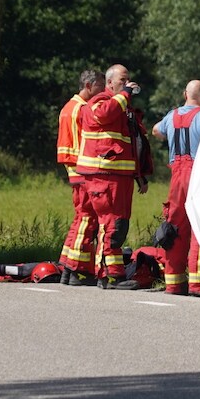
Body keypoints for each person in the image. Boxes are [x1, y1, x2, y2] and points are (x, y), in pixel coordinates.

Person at [66, 64, 151, 289]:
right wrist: (124, 95)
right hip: (104, 176)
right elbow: (103, 115)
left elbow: (133, 145)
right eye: (123, 80)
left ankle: (99, 273)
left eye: (129, 80)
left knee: (117, 224)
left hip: (119, 176)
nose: (128, 84)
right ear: (109, 83)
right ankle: (111, 276)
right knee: (111, 225)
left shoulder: (122, 108)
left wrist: (139, 176)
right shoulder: (99, 102)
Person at [152, 80, 200, 299]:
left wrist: (169, 137)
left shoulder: (171, 116)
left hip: (176, 176)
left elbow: (155, 130)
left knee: (175, 227)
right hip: (197, 175)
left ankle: (173, 283)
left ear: (185, 94)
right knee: (199, 228)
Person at [57, 69, 105, 286]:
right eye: (99, 87)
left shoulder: (68, 107)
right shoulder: (82, 109)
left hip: (73, 170)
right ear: (88, 86)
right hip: (83, 170)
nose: (101, 91)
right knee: (87, 219)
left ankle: (68, 265)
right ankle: (74, 269)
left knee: (81, 218)